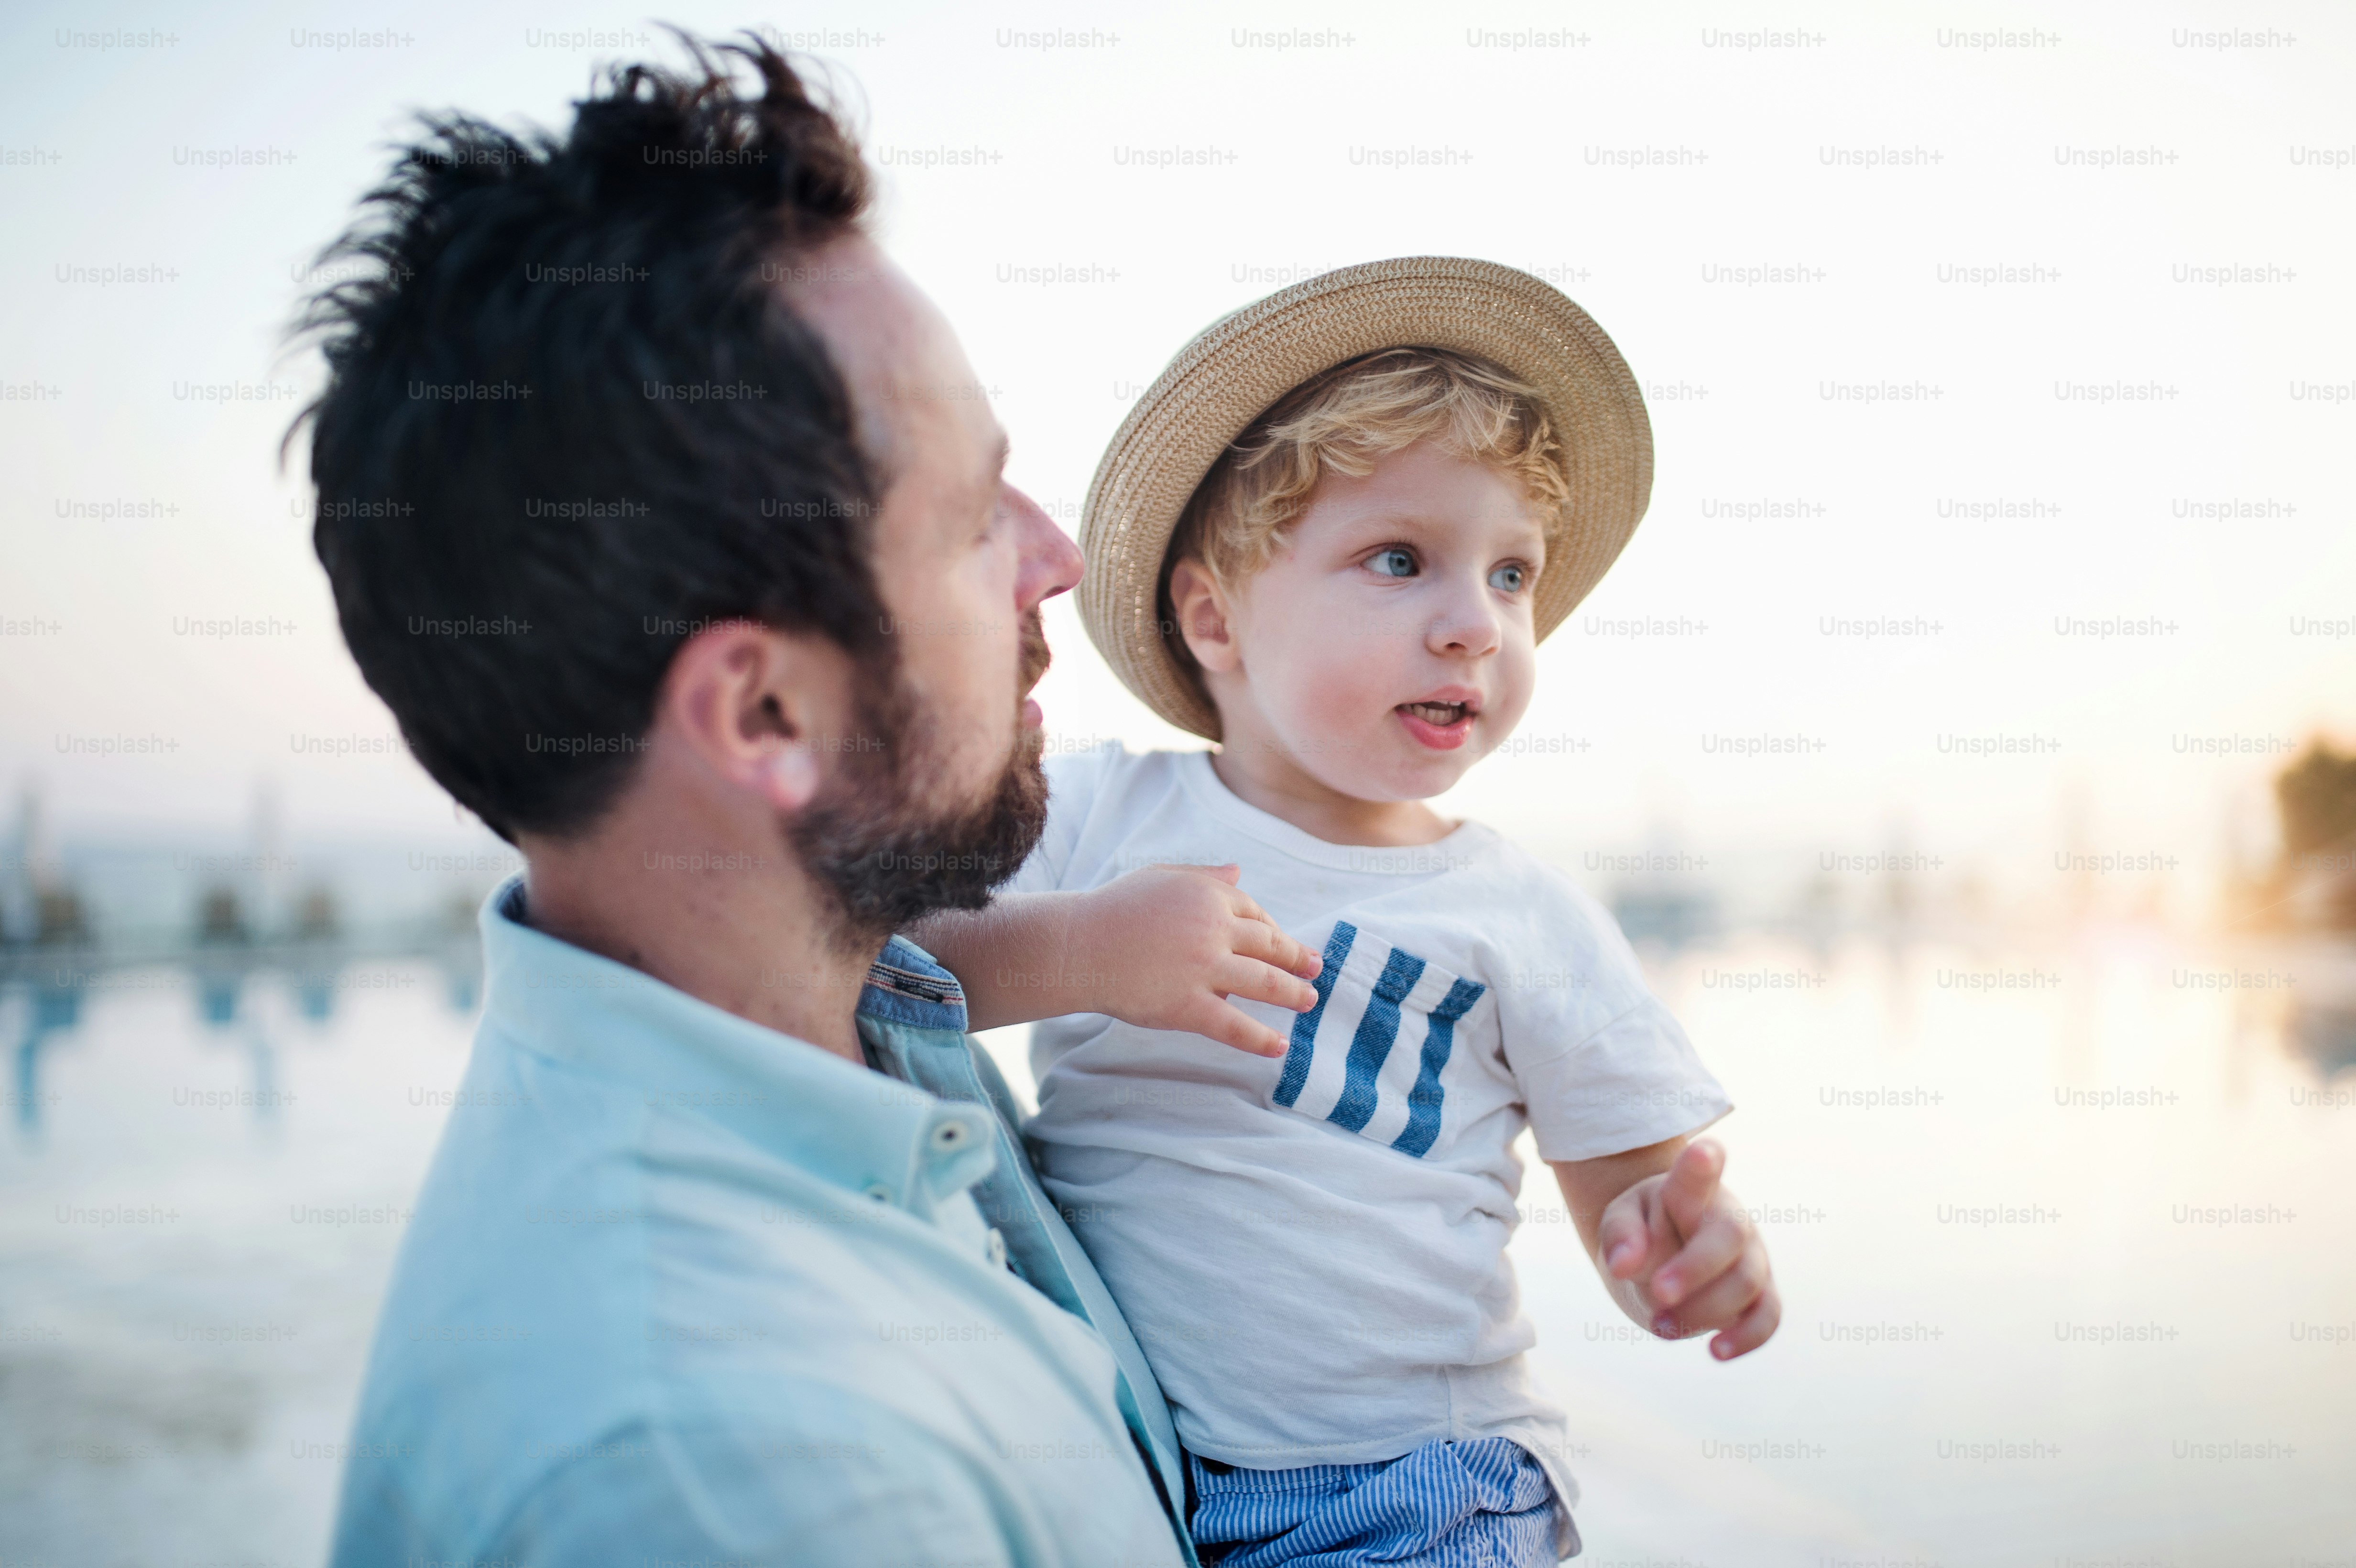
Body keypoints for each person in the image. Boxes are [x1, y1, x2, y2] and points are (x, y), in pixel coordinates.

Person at [291, 35, 1231, 1567]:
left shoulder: (859, 1018)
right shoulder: (741, 1475)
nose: (1056, 555)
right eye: (971, 515)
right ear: (767, 713)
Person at [915, 261, 1783, 1565]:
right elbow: (872, 971)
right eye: (1400, 561)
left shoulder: (1524, 918)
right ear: (1216, 618)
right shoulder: (1100, 819)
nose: (1474, 628)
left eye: (1511, 576)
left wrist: (1676, 1242)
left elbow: (1630, 1190)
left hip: (1416, 1487)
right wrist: (1085, 949)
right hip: (1138, 1460)